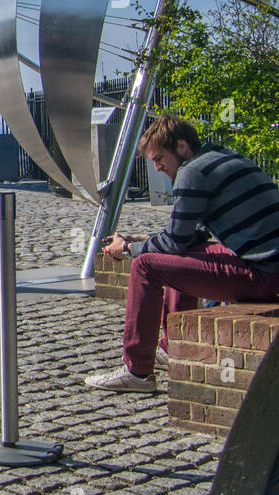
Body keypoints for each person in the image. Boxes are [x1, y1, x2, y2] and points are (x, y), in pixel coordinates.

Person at [86, 116, 279, 393]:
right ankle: (171, 346)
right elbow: (189, 236)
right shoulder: (221, 156)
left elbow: (176, 242)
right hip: (269, 265)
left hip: (264, 275)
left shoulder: (191, 172)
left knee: (144, 266)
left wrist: (128, 249)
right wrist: (140, 238)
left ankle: (137, 372)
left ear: (181, 146)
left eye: (160, 158)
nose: (157, 167)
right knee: (182, 252)